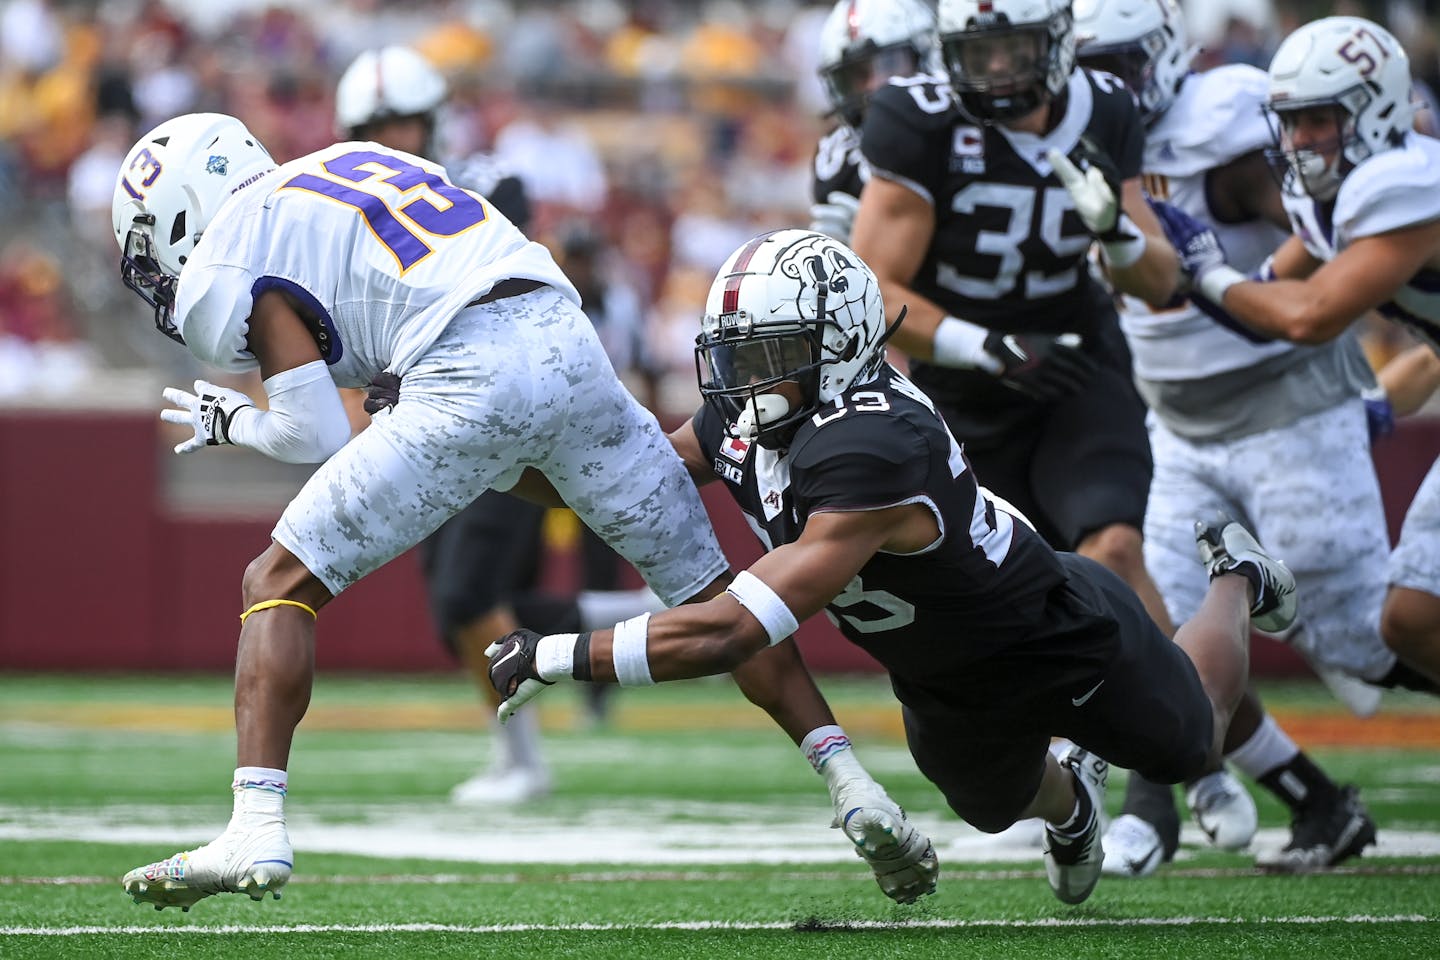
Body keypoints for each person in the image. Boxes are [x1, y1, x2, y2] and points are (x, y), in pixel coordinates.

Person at [110, 113, 936, 911]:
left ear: (183, 208)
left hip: (466, 362)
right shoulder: (346, 162)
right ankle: (854, 787)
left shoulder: (229, 251)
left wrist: (237, 423)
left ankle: (253, 826)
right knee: (718, 599)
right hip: (561, 336)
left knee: (275, 581)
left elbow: (314, 431)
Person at [488, 228, 1299, 906]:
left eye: (769, 353)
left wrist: (556, 653)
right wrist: (475, 449)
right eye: (736, 355)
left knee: (1191, 742)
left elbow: (734, 631)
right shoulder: (751, 411)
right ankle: (1075, 806)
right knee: (992, 806)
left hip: (1051, 630)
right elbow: (622, 483)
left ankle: (1236, 575)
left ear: (838, 343)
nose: (743, 379)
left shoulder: (871, 443)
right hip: (941, 674)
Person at [1071, 0, 1387, 877]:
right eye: (1089, 67)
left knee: (1367, 636)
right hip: (1177, 418)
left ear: (1168, 54)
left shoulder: (1221, 127)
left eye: (1122, 64)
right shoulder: (1080, 135)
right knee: (1167, 634)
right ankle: (1211, 802)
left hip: (1284, 405)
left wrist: (1243, 290)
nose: (1108, 88)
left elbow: (1331, 232)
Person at [334, 45, 644, 804]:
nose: (394, 141)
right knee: (459, 605)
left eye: (404, 123)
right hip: (429, 427)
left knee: (470, 596)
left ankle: (528, 757)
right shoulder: (344, 215)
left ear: (433, 121)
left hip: (500, 411)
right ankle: (656, 614)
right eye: (377, 128)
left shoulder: (483, 184)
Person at [847, 0, 1183, 666]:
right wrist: (987, 348)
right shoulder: (918, 120)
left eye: (1016, 49)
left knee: (1113, 546)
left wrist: (1116, 233)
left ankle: (1182, 751)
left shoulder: (1107, 106)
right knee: (997, 603)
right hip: (961, 381)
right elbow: (872, 292)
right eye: (979, 54)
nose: (998, 70)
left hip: (1073, 362)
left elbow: (1159, 281)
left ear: (1058, 43)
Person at [1150, 15, 1440, 695]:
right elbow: (1264, 308)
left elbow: (1309, 317)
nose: (1300, 141)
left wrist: (1203, 265)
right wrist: (1151, 257)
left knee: (1410, 618)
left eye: (1318, 120)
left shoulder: (1403, 183)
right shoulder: (1334, 198)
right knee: (1410, 621)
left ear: (1374, 110)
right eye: (1291, 121)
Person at [807, 0, 939, 244]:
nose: (875, 85)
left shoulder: (963, 130)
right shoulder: (838, 160)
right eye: (857, 75)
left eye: (889, 64)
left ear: (926, 57)